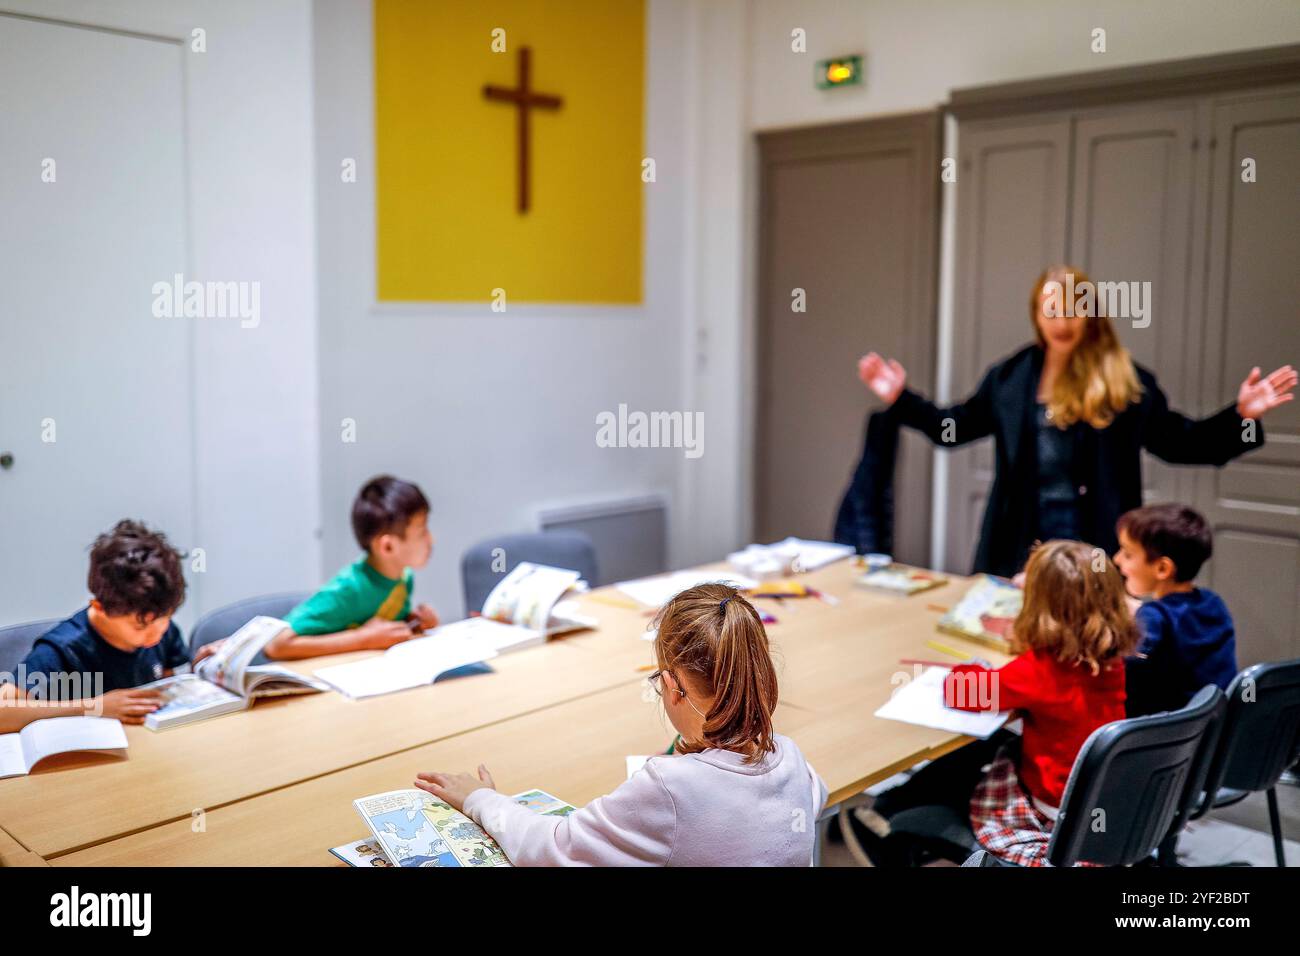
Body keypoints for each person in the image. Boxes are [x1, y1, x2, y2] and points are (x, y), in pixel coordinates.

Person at [857, 265, 1295, 575]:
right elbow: (953, 429)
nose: (1062, 321)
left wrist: (1240, 417)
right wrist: (901, 399)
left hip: (1097, 540)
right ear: (1036, 314)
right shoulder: (1010, 379)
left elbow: (1180, 442)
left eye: (1072, 308)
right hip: (1019, 539)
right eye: (1051, 310)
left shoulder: (1124, 379)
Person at [412, 584, 827, 866]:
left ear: (672, 687)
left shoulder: (670, 788)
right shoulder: (792, 760)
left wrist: (481, 799)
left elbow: (551, 850)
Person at [14, 519, 188, 724]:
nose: (155, 635)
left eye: (165, 619)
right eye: (139, 626)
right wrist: (93, 707)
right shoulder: (61, 651)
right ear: (99, 608)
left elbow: (167, 685)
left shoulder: (160, 628)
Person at [261, 475, 439, 660]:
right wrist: (362, 639)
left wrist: (412, 622)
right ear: (387, 546)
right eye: (422, 532)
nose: (431, 540)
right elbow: (275, 645)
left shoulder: (403, 577)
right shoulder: (349, 589)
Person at [1113, 503, 1237, 717]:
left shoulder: (1154, 616)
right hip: (1212, 728)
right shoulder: (1213, 603)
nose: (1117, 559)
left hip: (1164, 734)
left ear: (1162, 568)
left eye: (1128, 554)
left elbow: (1125, 665)